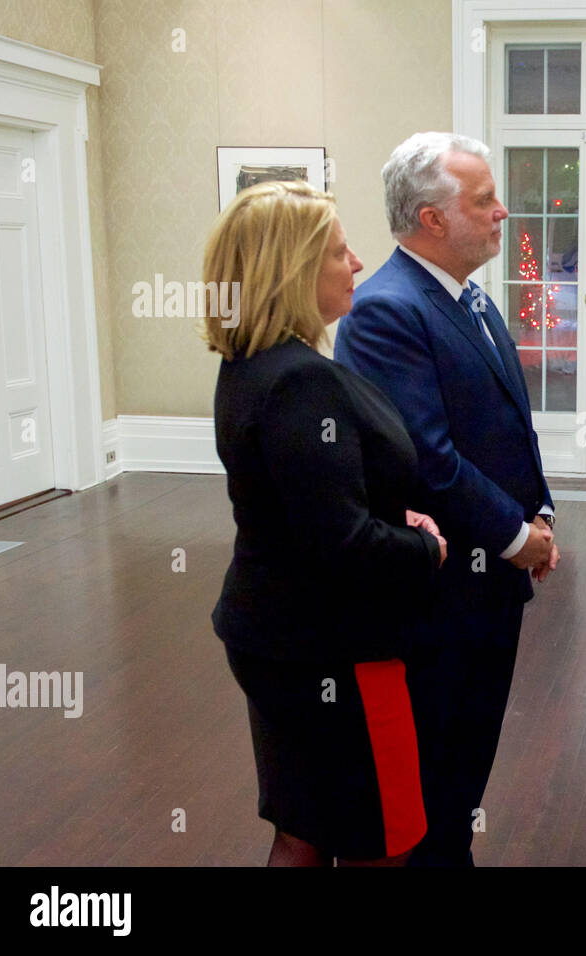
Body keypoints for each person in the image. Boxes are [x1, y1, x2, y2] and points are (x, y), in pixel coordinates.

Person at [205, 180, 447, 866]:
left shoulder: (247, 367)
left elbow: (307, 505)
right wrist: (424, 547)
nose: (358, 263)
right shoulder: (302, 382)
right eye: (340, 251)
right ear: (296, 270)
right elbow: (343, 543)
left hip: (274, 636)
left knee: (304, 825)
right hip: (332, 646)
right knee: (380, 837)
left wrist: (382, 510)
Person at [333, 132, 557, 867]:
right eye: (484, 199)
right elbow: (427, 461)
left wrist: (541, 510)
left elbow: (505, 426)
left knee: (464, 776)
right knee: (437, 781)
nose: (502, 212)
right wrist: (516, 537)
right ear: (432, 220)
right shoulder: (386, 312)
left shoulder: (469, 298)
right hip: (443, 596)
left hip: (488, 586)